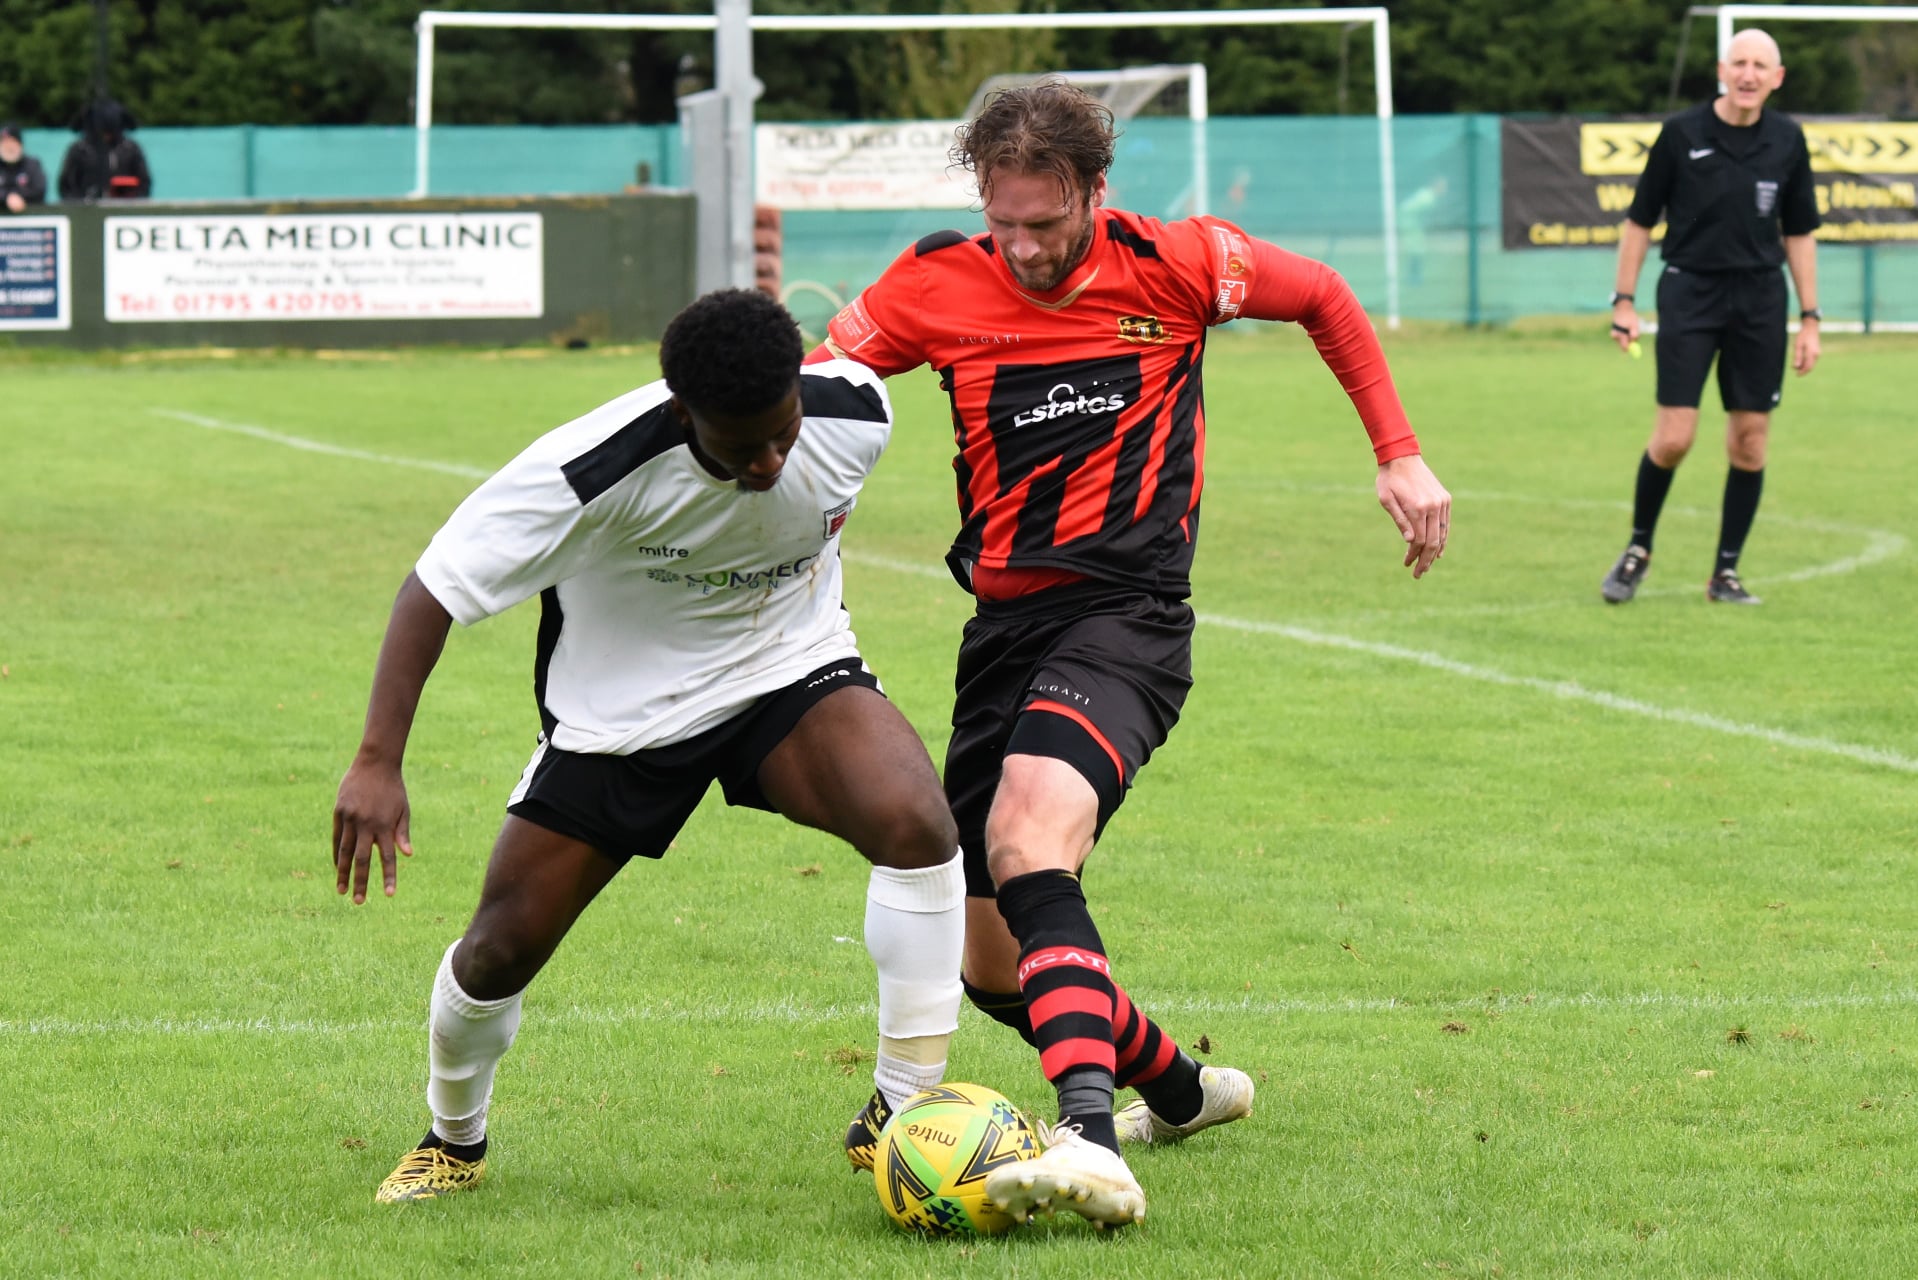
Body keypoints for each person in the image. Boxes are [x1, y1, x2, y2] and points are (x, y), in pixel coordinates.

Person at [815, 81, 1450, 1228]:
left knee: (1027, 838)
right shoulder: (935, 283)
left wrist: (1396, 451)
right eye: (1002, 221)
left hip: (1128, 617)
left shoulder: (1180, 262)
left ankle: (1092, 1141)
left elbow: (1324, 296)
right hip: (1000, 632)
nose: (1022, 246)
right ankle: (1181, 1089)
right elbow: (822, 392)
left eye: (1045, 222)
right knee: (989, 963)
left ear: (1095, 192)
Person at [332, 288, 966, 1203]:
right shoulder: (587, 472)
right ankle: (454, 1139)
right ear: (682, 416)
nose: (769, 462)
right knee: (499, 950)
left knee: (917, 823)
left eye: (782, 433)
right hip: (623, 717)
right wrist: (377, 761)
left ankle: (904, 1120)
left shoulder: (856, 414)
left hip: (787, 670)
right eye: (741, 447)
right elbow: (432, 591)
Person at [1602, 27, 1820, 607]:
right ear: (1722, 71)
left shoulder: (1788, 139)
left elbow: (1800, 231)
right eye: (1738, 63)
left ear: (1777, 78)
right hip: (1690, 292)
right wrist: (1623, 301)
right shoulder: (1681, 134)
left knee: (1750, 441)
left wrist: (1811, 318)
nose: (1748, 74)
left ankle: (1725, 573)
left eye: (1760, 66)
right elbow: (1639, 221)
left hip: (1760, 300)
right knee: (1675, 437)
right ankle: (1638, 549)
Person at [57, 98, 151, 201]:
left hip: (124, 206)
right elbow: (66, 187)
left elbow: (144, 184)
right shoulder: (80, 150)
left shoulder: (129, 149)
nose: (106, 137)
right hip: (87, 206)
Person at [0, 124, 48, 212]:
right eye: (4, 142)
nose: (8, 146)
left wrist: (19, 196)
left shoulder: (32, 165)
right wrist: (7, 197)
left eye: (12, 141)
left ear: (19, 143)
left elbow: (40, 190)